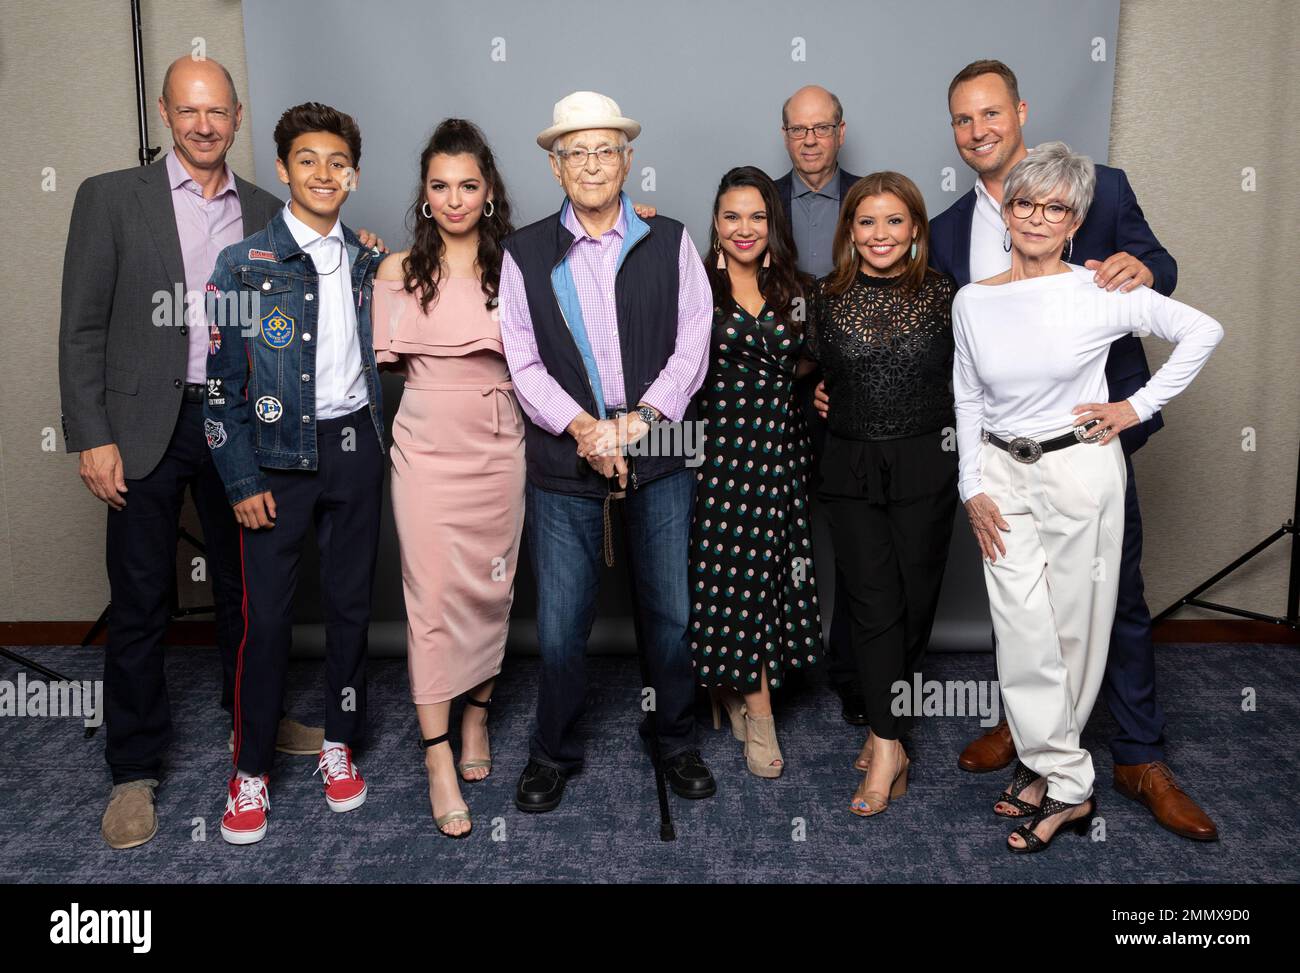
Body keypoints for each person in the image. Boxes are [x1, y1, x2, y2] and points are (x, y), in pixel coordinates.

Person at [56, 55, 321, 851]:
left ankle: (258, 718)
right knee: (142, 602)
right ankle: (134, 769)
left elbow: (317, 296)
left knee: (253, 588)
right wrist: (90, 433)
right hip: (143, 426)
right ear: (167, 117)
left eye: (218, 112)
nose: (204, 125)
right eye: (188, 111)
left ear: (237, 118)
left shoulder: (272, 207)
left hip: (237, 419)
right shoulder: (109, 199)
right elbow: (81, 328)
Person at [951, 141, 1222, 853]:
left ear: (1075, 221)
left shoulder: (1099, 288)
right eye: (1025, 203)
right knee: (1022, 630)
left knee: (1074, 631)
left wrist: (1133, 406)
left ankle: (1049, 780)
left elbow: (1202, 330)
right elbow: (968, 394)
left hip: (1080, 471)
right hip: (1001, 474)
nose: (1038, 217)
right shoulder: (973, 299)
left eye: (1055, 207)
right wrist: (970, 483)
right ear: (1006, 211)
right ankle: (1070, 778)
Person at [497, 90, 716, 812]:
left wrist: (645, 418)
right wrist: (583, 429)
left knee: (672, 613)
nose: (592, 164)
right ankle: (553, 750)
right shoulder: (523, 252)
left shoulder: (671, 238)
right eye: (576, 152)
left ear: (628, 161)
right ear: (557, 168)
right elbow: (522, 359)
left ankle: (675, 739)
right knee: (559, 626)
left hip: (657, 454)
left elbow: (693, 340)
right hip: (565, 462)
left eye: (606, 150)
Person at [205, 102, 386, 845]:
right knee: (268, 619)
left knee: (349, 610)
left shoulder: (373, 259)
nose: (323, 173)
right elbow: (220, 390)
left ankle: (340, 741)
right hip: (278, 463)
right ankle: (250, 770)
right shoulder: (242, 263)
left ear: (353, 173)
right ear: (282, 169)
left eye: (337, 162)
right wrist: (242, 480)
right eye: (307, 160)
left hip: (355, 448)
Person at [372, 119, 524, 837]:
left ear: (487, 191)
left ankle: (476, 720)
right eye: (440, 185)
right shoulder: (397, 272)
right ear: (425, 195)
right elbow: (390, 370)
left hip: (499, 449)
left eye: (469, 184)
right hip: (426, 452)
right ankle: (436, 756)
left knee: (490, 590)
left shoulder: (519, 266)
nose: (455, 198)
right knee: (430, 596)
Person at [808, 172, 959, 815]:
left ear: (916, 229)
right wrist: (814, 396)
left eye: (894, 221)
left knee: (915, 601)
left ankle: (886, 728)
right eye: (866, 222)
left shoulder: (947, 295)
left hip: (927, 461)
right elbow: (803, 375)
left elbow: (976, 381)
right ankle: (887, 740)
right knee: (871, 603)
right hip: (849, 465)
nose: (880, 235)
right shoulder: (823, 297)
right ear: (850, 231)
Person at [692, 166, 822, 778]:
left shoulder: (798, 290)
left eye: (758, 217)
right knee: (732, 583)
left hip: (782, 452)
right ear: (715, 225)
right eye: (732, 216)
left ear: (773, 224)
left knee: (769, 583)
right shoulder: (692, 287)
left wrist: (822, 391)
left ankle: (728, 690)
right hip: (719, 457)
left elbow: (814, 364)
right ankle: (759, 712)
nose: (745, 229)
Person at [774, 86, 866, 726]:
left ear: (840, 131)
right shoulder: (761, 204)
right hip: (777, 391)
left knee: (858, 536)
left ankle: (855, 672)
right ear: (786, 135)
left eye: (821, 127)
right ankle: (775, 668)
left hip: (854, 393)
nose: (809, 139)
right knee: (779, 531)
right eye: (797, 129)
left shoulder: (872, 201)